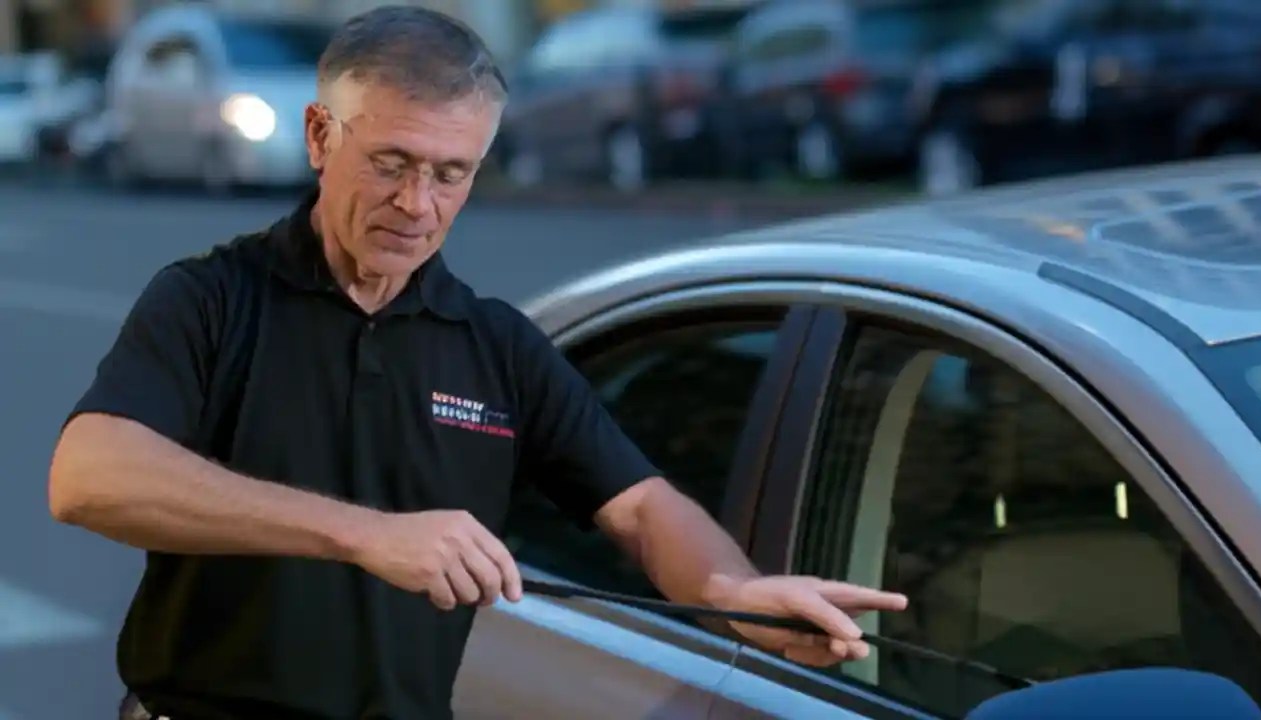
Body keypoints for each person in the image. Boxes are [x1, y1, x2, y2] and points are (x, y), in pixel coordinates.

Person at [48, 6, 908, 719]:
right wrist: (368, 536)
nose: (417, 205)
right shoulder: (211, 299)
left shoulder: (495, 345)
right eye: (390, 163)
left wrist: (737, 593)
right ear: (319, 136)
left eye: (451, 174)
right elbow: (88, 476)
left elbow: (642, 509)